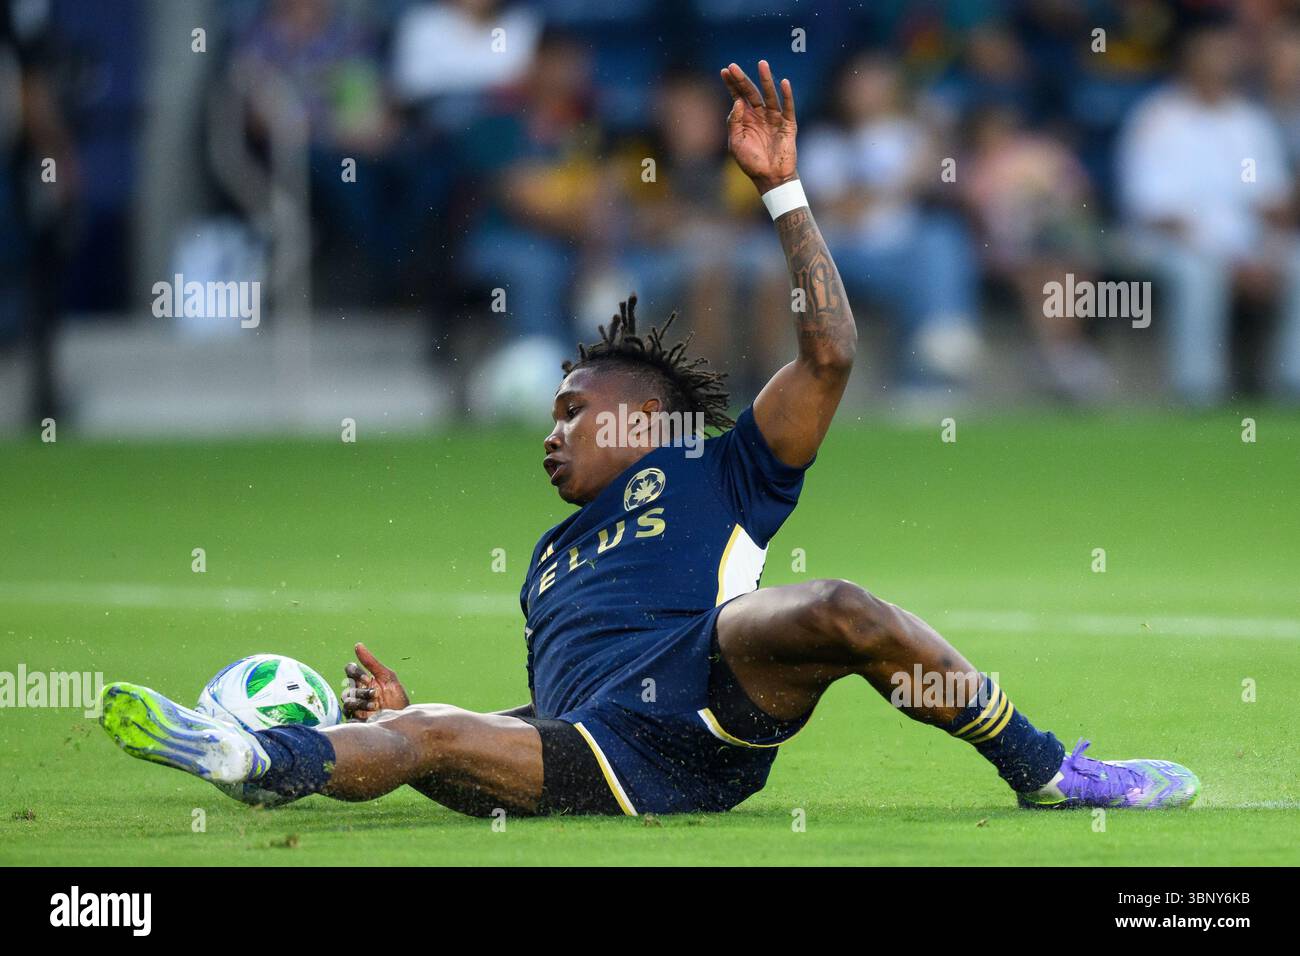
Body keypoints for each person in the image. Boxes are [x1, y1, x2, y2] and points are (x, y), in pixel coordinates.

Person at [98, 61, 1199, 816]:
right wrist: (415, 730)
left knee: (839, 605)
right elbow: (541, 723)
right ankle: (248, 755)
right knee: (432, 722)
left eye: (571, 407)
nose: (550, 431)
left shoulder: (722, 467)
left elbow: (829, 357)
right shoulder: (546, 561)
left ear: (641, 416)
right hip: (607, 748)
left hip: (715, 697)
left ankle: (1051, 771)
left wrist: (783, 197)